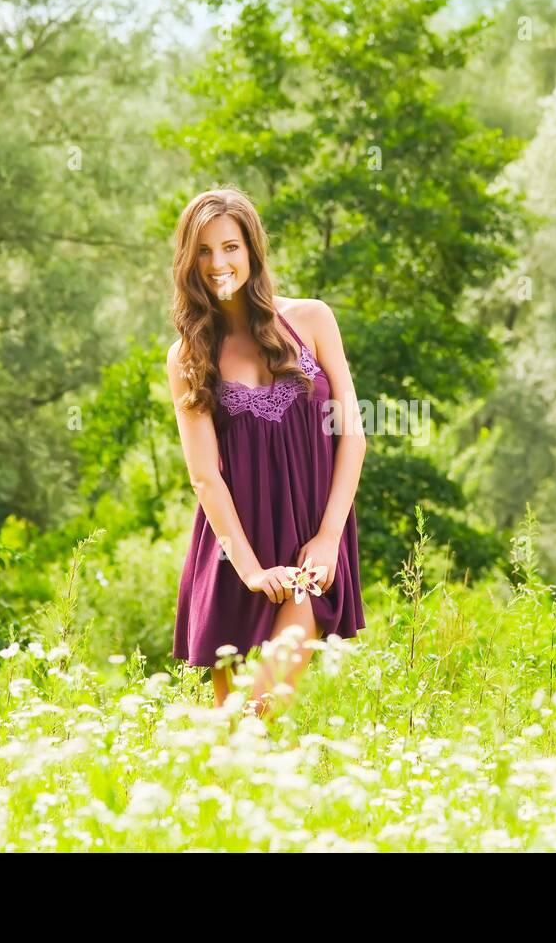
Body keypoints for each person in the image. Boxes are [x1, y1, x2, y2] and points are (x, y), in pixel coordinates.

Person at [166, 186, 367, 719]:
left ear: (252, 249)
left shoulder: (312, 319)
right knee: (232, 730)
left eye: (230, 247)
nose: (218, 263)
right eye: (204, 251)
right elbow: (204, 476)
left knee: (256, 713)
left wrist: (328, 539)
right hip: (234, 552)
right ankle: (207, 800)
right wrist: (252, 570)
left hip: (309, 547)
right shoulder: (188, 355)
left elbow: (353, 433)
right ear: (189, 261)